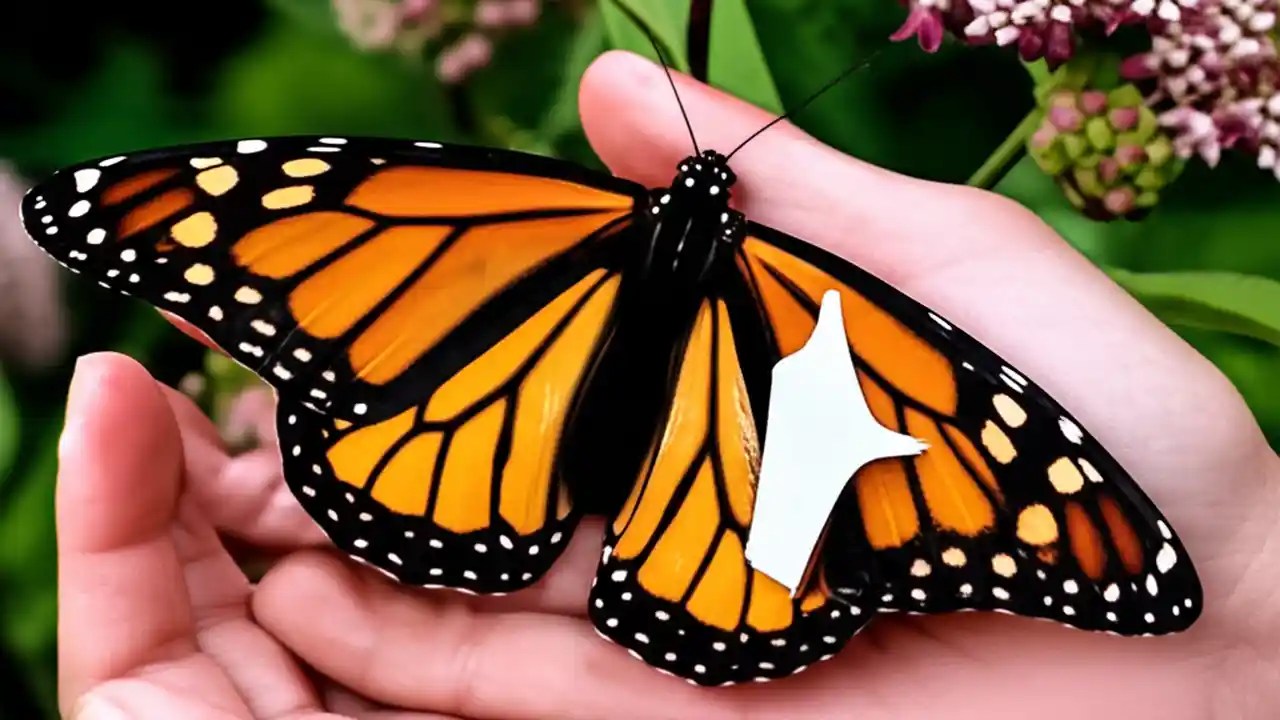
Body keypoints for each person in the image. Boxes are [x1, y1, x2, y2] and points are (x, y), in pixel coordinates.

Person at [55, 50, 1279, 719]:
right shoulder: (827, 308)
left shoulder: (518, 212)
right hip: (710, 503)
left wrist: (1238, 616)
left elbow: (1006, 481)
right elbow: (967, 433)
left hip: (483, 417)